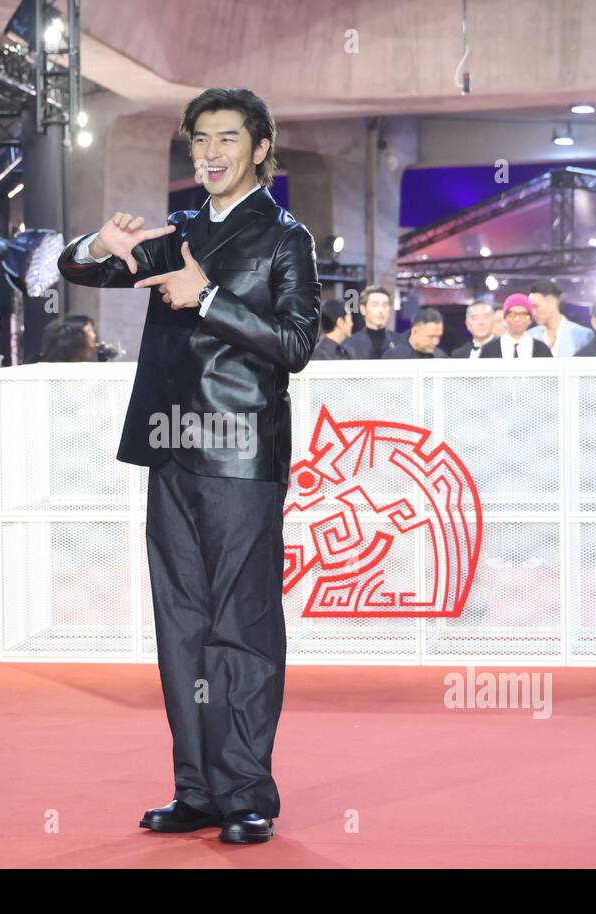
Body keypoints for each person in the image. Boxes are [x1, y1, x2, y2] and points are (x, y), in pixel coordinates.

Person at [57, 87, 319, 845]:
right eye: (200, 138)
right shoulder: (179, 230)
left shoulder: (285, 238)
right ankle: (197, 787)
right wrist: (100, 243)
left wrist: (207, 301)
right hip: (170, 450)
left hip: (240, 453)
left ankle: (246, 792)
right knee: (181, 628)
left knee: (243, 627)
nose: (210, 152)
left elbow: (297, 344)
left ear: (262, 147)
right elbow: (82, 270)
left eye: (228, 138)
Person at [528, 279, 594, 356]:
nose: (533, 312)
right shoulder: (530, 336)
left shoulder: (583, 335)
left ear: (553, 302)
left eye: (536, 306)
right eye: (531, 308)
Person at [342, 286, 409, 359]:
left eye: (385, 305)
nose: (381, 310)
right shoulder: (350, 344)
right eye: (375, 305)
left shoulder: (400, 342)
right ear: (363, 309)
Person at [480, 294, 552, 358]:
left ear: (530, 319)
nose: (517, 319)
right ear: (505, 317)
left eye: (523, 315)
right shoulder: (489, 349)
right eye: (512, 314)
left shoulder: (542, 349)